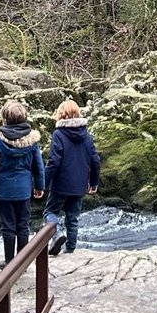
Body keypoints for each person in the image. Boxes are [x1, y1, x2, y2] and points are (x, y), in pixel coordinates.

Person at [0, 100, 45, 265]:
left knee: (8, 227)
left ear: (5, 120)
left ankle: (9, 262)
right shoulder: (32, 143)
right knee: (23, 225)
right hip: (24, 191)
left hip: (5, 192)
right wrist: (39, 186)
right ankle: (22, 262)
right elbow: (39, 167)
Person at [43, 99, 102, 255]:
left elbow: (53, 162)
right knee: (73, 218)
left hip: (61, 185)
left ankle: (56, 234)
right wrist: (94, 182)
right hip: (79, 186)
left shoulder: (58, 134)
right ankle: (70, 250)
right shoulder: (87, 137)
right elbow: (95, 161)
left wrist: (42, 183)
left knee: (50, 212)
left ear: (61, 114)